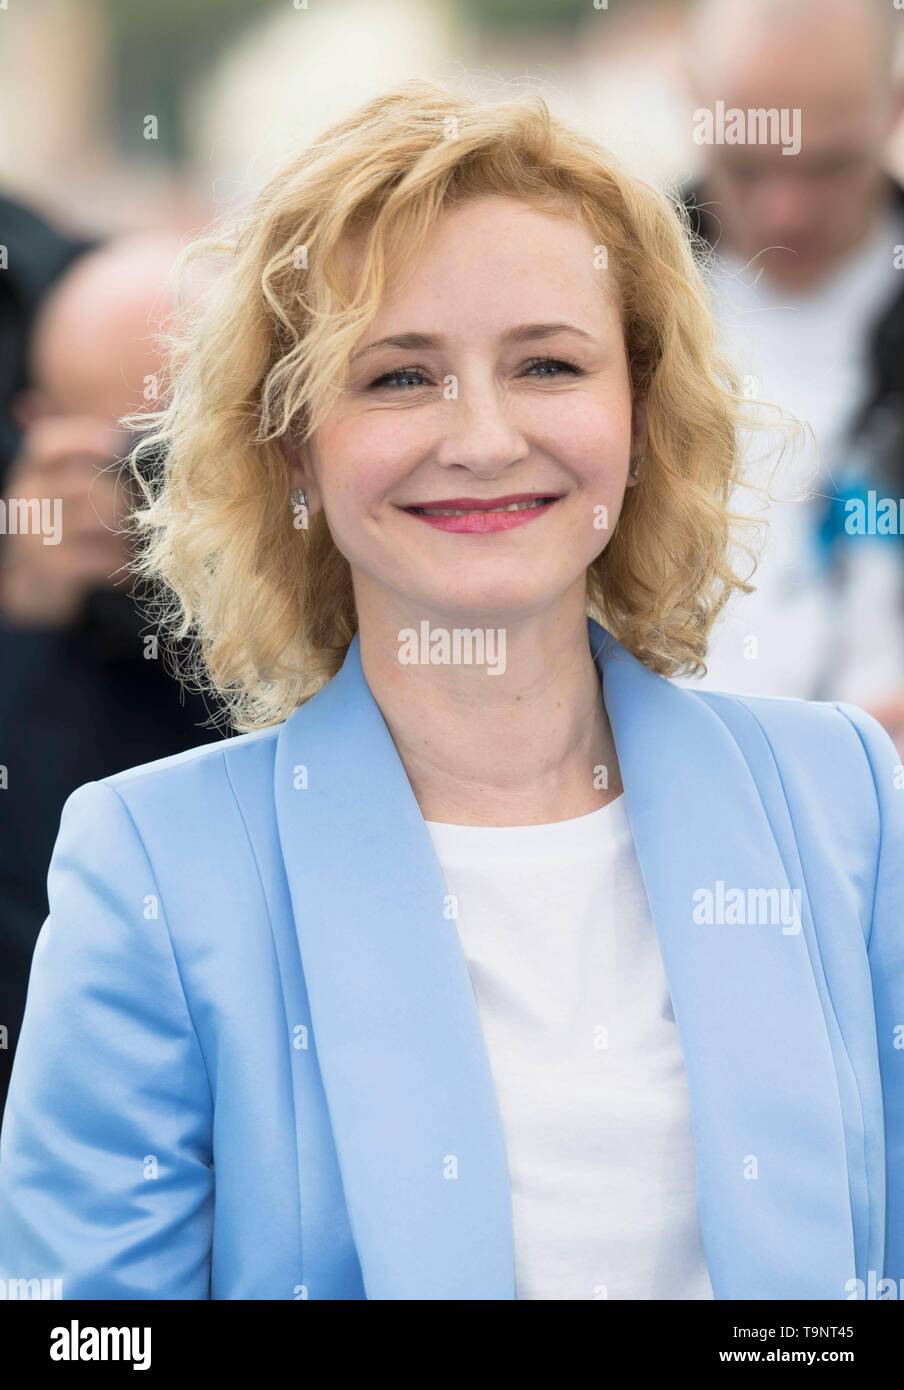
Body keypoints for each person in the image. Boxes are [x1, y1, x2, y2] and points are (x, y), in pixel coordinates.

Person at [0, 80, 900, 1301]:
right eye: (399, 377)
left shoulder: (843, 799)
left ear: (639, 412)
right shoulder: (151, 865)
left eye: (545, 363)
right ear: (289, 442)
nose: (481, 436)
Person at [0, 223, 224, 1123]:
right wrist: (28, 612)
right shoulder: (28, 605)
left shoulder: (336, 583)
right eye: (117, 450)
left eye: (173, 444)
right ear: (34, 430)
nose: (147, 484)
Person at [679, 0, 904, 737]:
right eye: (746, 166)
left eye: (828, 166)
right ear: (692, 104)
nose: (785, 215)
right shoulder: (599, 297)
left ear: (893, 110)